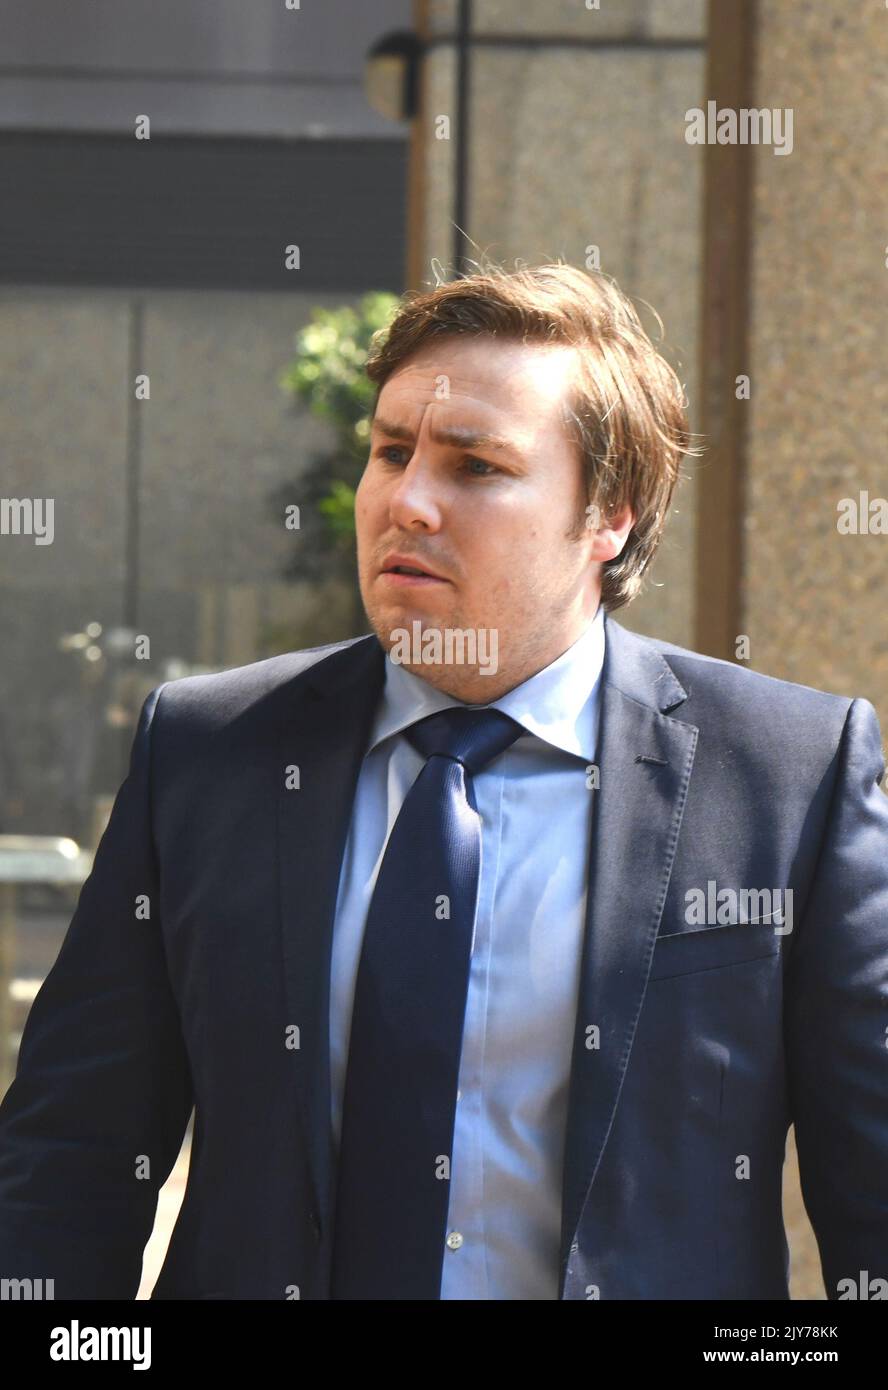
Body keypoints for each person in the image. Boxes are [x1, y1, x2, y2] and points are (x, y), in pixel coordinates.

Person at [1, 262, 886, 1300]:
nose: (406, 500)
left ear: (609, 516)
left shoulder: (786, 772)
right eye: (391, 452)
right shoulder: (212, 749)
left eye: (475, 466)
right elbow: (71, 1161)